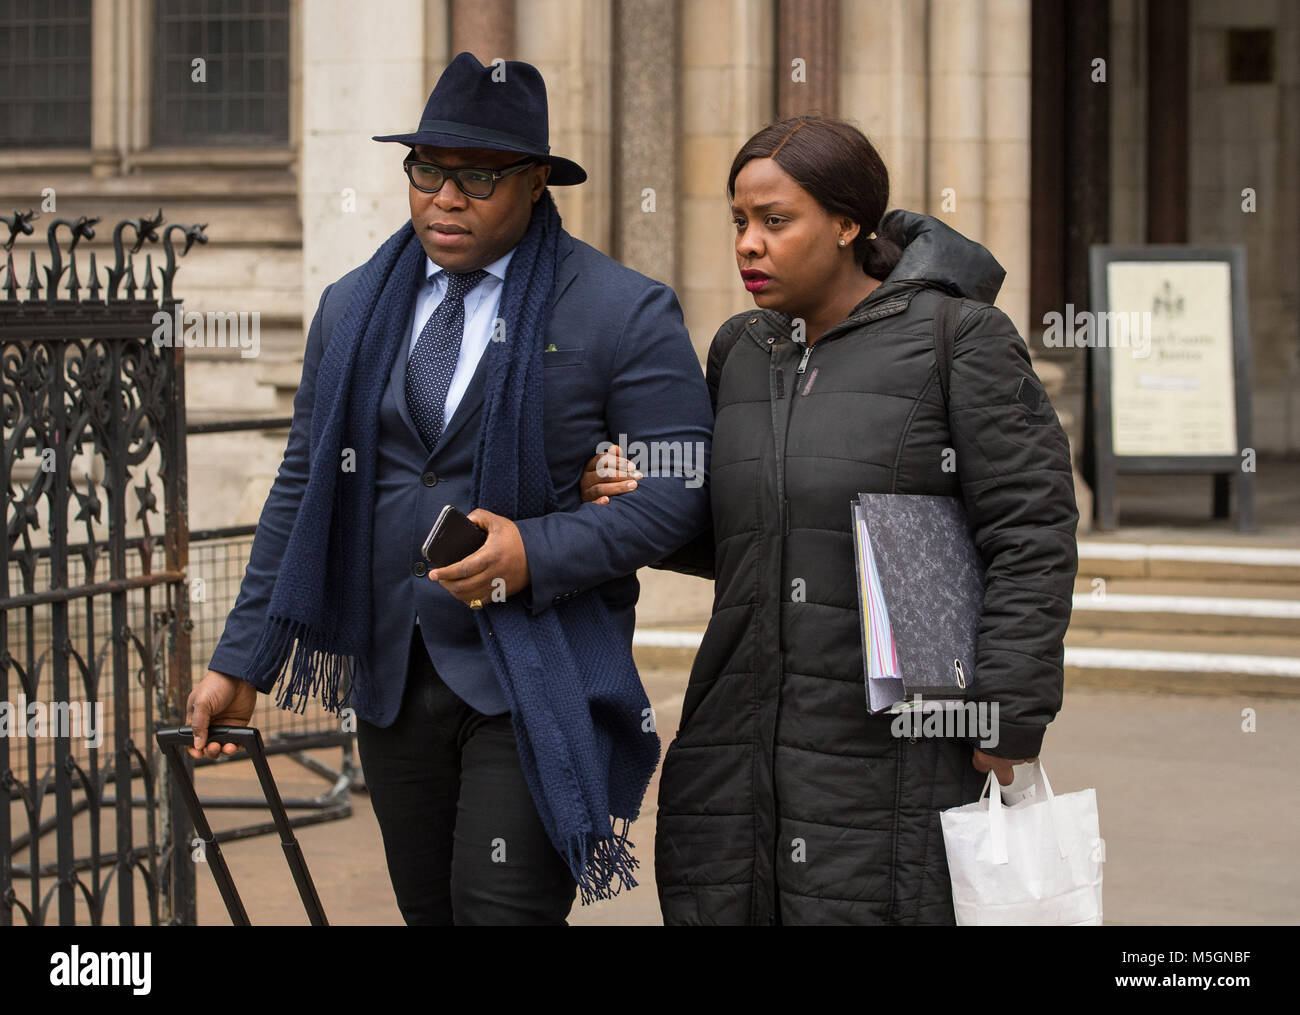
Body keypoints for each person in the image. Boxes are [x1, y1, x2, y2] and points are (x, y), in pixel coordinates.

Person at [187, 52, 713, 925]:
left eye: (478, 176)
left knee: (499, 911)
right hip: (393, 674)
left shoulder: (622, 311)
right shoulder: (353, 307)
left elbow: (677, 491)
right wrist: (241, 659)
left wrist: (533, 549)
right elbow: (301, 486)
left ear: (537, 181)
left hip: (534, 675)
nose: (446, 196)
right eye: (427, 169)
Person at [581, 115, 1079, 925]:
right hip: (736, 744)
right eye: (739, 222)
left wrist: (1011, 710)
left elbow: (1032, 531)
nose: (749, 243)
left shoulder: (959, 340)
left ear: (848, 224)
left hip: (895, 752)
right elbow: (740, 533)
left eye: (776, 221)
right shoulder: (741, 350)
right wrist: (641, 491)